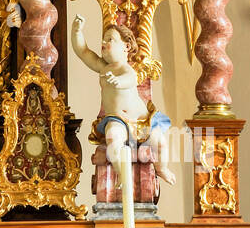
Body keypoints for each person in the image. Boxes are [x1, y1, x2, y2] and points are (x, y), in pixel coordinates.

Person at [70, 15, 175, 185]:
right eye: (103, 40)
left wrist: (118, 82)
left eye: (110, 39)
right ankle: (122, 176)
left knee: (160, 142)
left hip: (142, 121)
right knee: (112, 138)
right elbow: (83, 52)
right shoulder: (103, 67)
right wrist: (77, 31)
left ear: (126, 46)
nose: (103, 43)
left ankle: (162, 168)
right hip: (117, 120)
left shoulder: (126, 69)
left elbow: (130, 80)